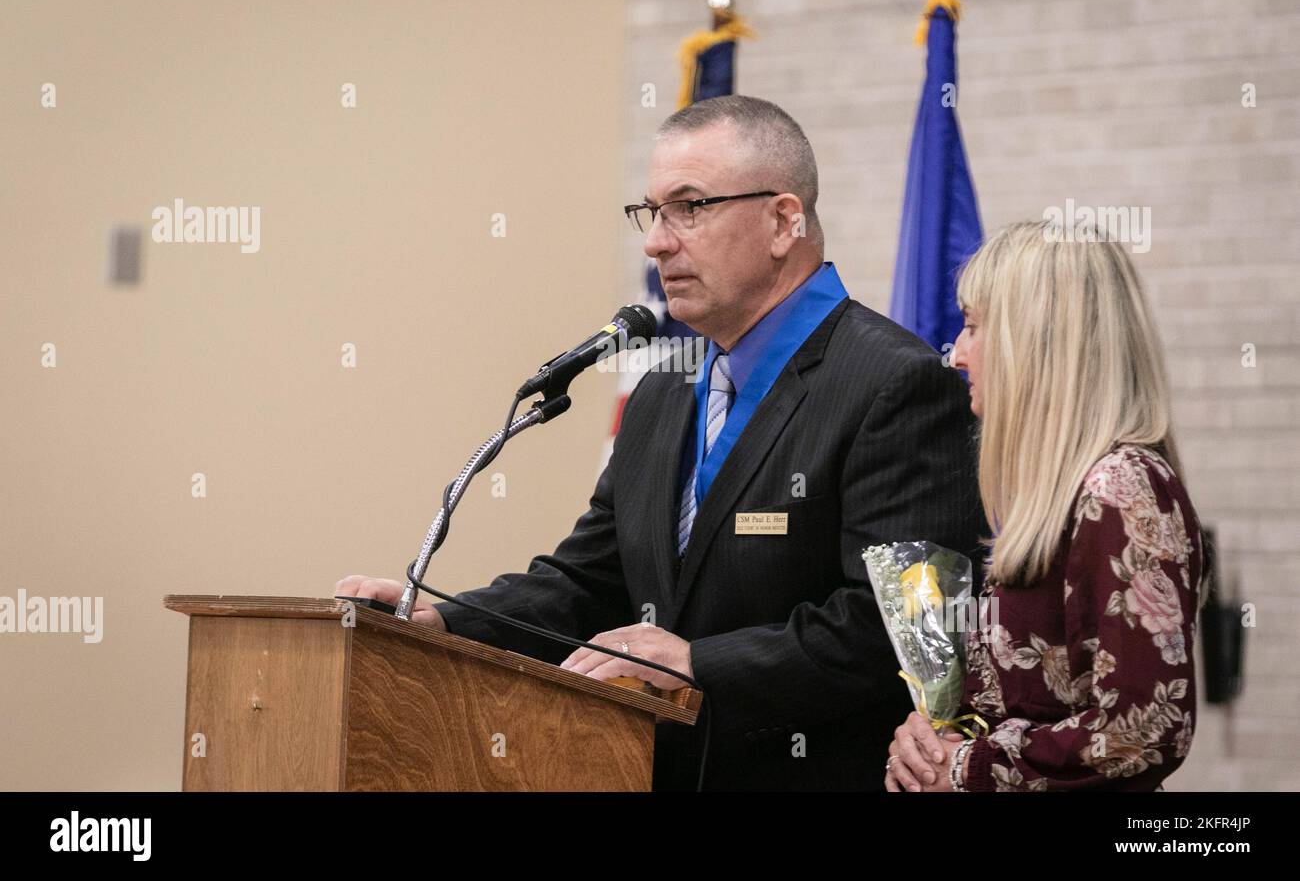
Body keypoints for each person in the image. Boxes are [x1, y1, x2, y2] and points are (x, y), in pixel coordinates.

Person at [337, 95, 984, 790]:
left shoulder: (895, 384)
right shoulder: (664, 392)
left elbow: (898, 631)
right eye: (651, 212)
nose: (656, 241)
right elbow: (591, 577)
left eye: (690, 207)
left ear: (783, 220)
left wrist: (695, 665)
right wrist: (442, 619)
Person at [885, 219, 1208, 792]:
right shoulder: (1065, 489)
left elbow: (1145, 728)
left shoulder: (1119, 487)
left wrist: (966, 769)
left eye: (973, 327)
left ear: (1038, 342)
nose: (955, 354)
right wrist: (934, 739)